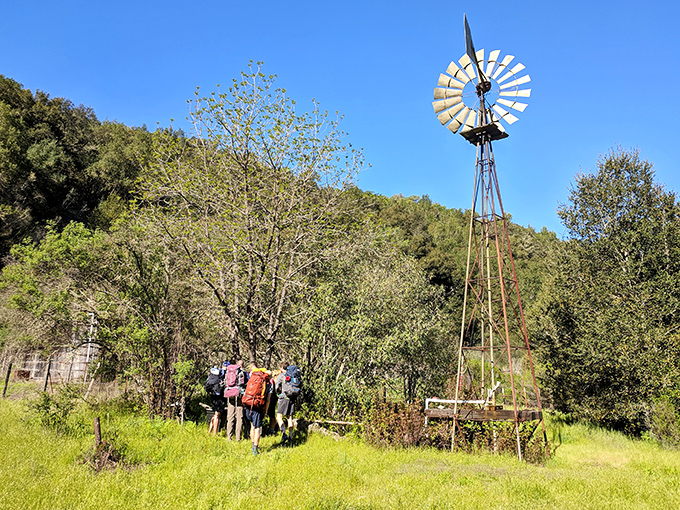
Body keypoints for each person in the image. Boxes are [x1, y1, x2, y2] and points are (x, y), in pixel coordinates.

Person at [243, 363, 271, 455]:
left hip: (249, 403)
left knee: (252, 426)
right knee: (257, 428)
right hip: (258, 405)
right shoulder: (267, 383)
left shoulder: (252, 377)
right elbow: (268, 400)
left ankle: (252, 445)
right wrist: (265, 411)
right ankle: (255, 448)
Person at [275, 363, 300, 445]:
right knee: (290, 418)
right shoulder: (293, 375)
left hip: (284, 398)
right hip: (292, 398)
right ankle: (290, 437)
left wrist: (278, 393)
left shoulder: (281, 376)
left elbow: (276, 387)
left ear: (282, 368)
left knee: (279, 417)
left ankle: (284, 433)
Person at [224, 359, 246, 441]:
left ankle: (229, 437)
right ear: (242, 366)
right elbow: (242, 383)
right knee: (239, 417)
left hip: (229, 394)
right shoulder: (241, 372)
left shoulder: (229, 371)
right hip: (238, 395)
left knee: (230, 417)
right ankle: (238, 438)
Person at [206, 366, 226, 436]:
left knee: (215, 414)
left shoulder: (213, 374)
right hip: (219, 398)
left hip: (213, 396)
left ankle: (209, 431)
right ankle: (214, 433)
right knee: (217, 415)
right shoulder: (221, 374)